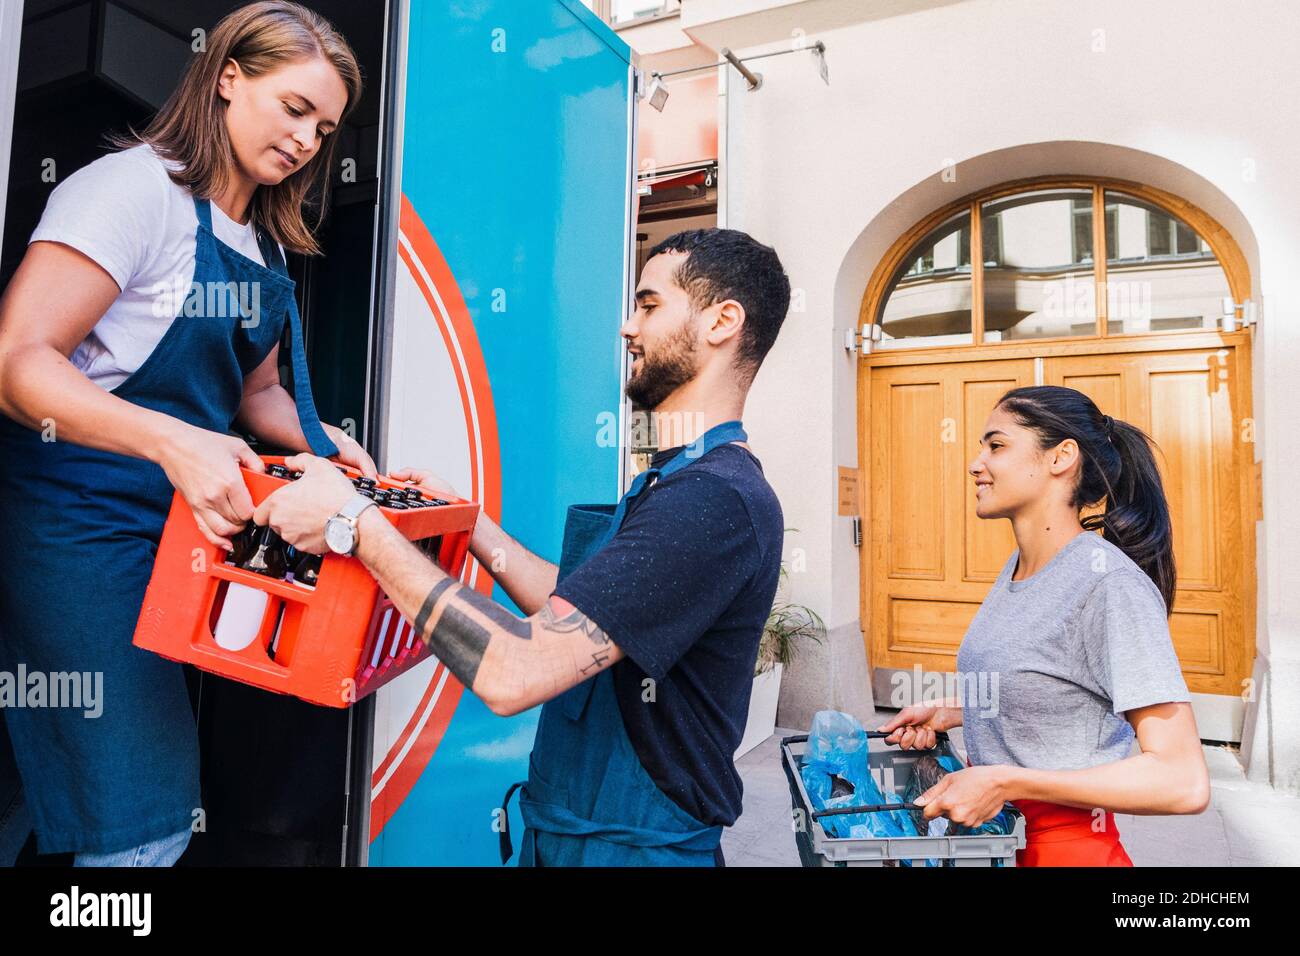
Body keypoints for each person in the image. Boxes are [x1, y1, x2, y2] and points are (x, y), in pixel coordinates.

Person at [257, 228, 791, 866]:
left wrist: (355, 523)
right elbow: (571, 613)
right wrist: (470, 525)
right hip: (577, 837)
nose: (628, 327)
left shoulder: (714, 501)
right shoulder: (677, 480)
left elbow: (516, 671)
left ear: (722, 321)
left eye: (649, 305)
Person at [0, 1, 373, 866]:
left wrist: (322, 442)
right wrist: (172, 441)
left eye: (323, 129)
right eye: (294, 109)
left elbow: (258, 390)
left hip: (172, 538)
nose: (307, 142)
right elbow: (19, 362)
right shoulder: (131, 190)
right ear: (228, 77)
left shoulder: (265, 246)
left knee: (64, 791)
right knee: (144, 821)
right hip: (74, 529)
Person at [878, 386, 1211, 866]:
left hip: (1065, 851)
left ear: (1061, 458)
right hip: (997, 842)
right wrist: (958, 710)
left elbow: (1183, 782)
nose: (976, 464)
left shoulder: (1109, 585)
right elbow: (1056, 691)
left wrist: (1007, 779)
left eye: (996, 446)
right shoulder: (1021, 565)